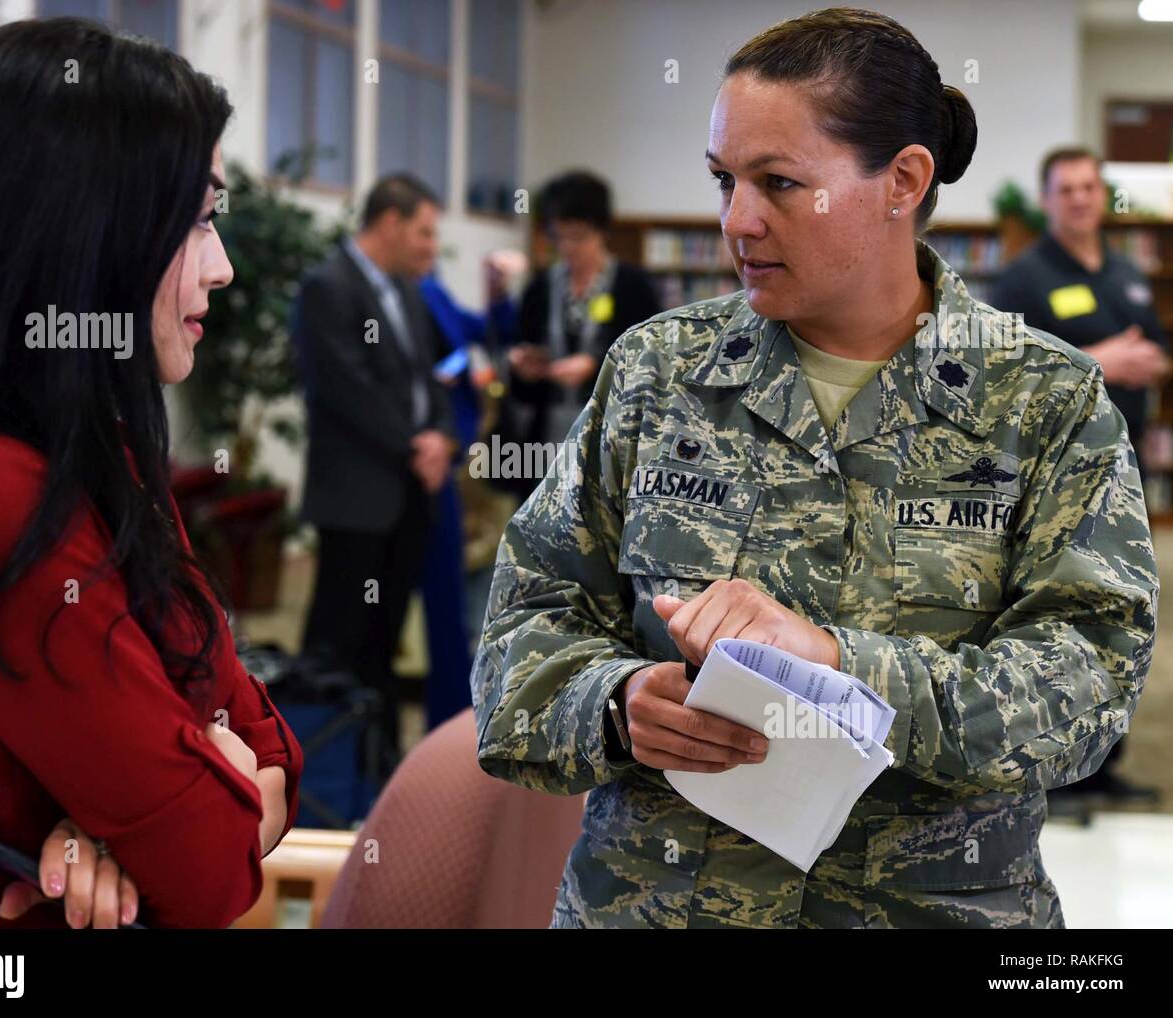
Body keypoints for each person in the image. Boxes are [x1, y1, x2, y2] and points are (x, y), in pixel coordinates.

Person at [470, 8, 1157, 929]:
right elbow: (522, 629)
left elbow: (1087, 688)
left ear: (903, 181)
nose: (736, 222)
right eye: (723, 181)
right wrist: (617, 702)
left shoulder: (1043, 400)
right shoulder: (658, 374)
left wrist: (839, 668)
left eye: (780, 183)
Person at [0, 18, 303, 929]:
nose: (222, 267)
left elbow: (271, 752)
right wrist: (203, 781)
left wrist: (140, 818)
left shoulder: (95, 455)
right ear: (83, 233)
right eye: (194, 219)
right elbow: (213, 861)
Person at [991, 147, 1168, 810]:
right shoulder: (1022, 279)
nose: (1080, 199)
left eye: (1090, 187)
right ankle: (1060, 770)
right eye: (1066, 189)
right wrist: (1104, 361)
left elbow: (1149, 341)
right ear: (1047, 200)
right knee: (1061, 614)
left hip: (1126, 473)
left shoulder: (1126, 272)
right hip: (1056, 477)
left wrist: (1146, 361)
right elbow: (1005, 369)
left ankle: (1106, 759)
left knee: (1123, 613)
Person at [292, 173, 458, 776]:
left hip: (411, 498)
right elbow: (344, 389)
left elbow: (431, 377)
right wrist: (414, 444)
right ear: (389, 222)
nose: (430, 246)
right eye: (424, 231)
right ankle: (327, 768)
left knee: (386, 640)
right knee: (339, 640)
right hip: (357, 501)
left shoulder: (409, 292)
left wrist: (441, 435)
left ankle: (380, 762)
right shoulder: (328, 288)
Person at [504, 171, 660, 472]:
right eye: (558, 236)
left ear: (602, 231)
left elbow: (650, 362)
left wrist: (595, 367)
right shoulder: (540, 288)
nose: (567, 247)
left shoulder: (633, 287)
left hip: (615, 436)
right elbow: (519, 352)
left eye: (578, 236)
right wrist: (524, 367)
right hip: (545, 439)